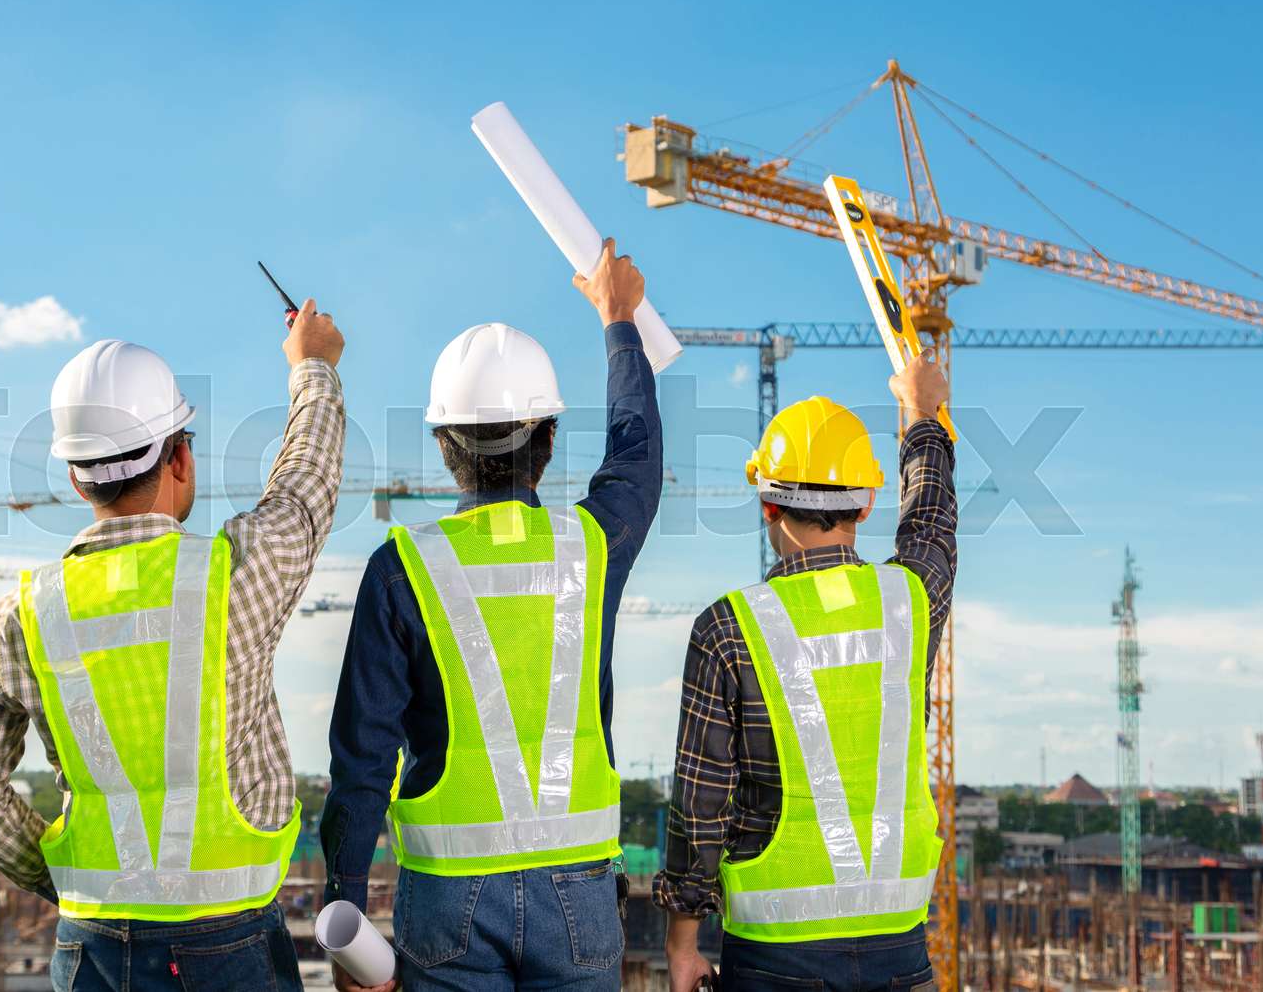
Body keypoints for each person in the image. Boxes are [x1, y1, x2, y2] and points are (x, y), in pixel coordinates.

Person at [0, 302, 346, 992]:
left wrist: (67, 877)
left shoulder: (12, 619)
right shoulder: (238, 573)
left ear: (75, 476)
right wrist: (313, 369)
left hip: (91, 946)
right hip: (231, 942)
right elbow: (306, 487)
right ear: (179, 456)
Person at [320, 239, 663, 991]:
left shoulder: (400, 568)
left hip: (448, 900)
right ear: (547, 437)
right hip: (579, 896)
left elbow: (362, 759)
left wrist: (343, 902)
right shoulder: (591, 546)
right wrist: (618, 320)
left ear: (444, 445)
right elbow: (637, 457)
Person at [659, 354, 956, 992]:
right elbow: (931, 520)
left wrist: (682, 947)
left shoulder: (727, 628)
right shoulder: (910, 604)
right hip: (901, 952)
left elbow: (699, 807)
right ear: (868, 502)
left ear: (768, 505)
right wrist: (921, 415)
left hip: (773, 958)